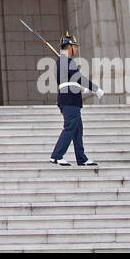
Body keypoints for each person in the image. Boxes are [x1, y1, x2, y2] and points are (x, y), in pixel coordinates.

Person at [50, 34, 103, 167]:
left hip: (70, 98)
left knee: (77, 129)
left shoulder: (63, 62)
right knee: (70, 127)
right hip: (69, 100)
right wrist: (95, 88)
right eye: (75, 46)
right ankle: (56, 155)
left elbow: (70, 80)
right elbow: (78, 78)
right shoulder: (66, 61)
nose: (76, 49)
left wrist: (80, 88)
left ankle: (81, 158)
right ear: (69, 47)